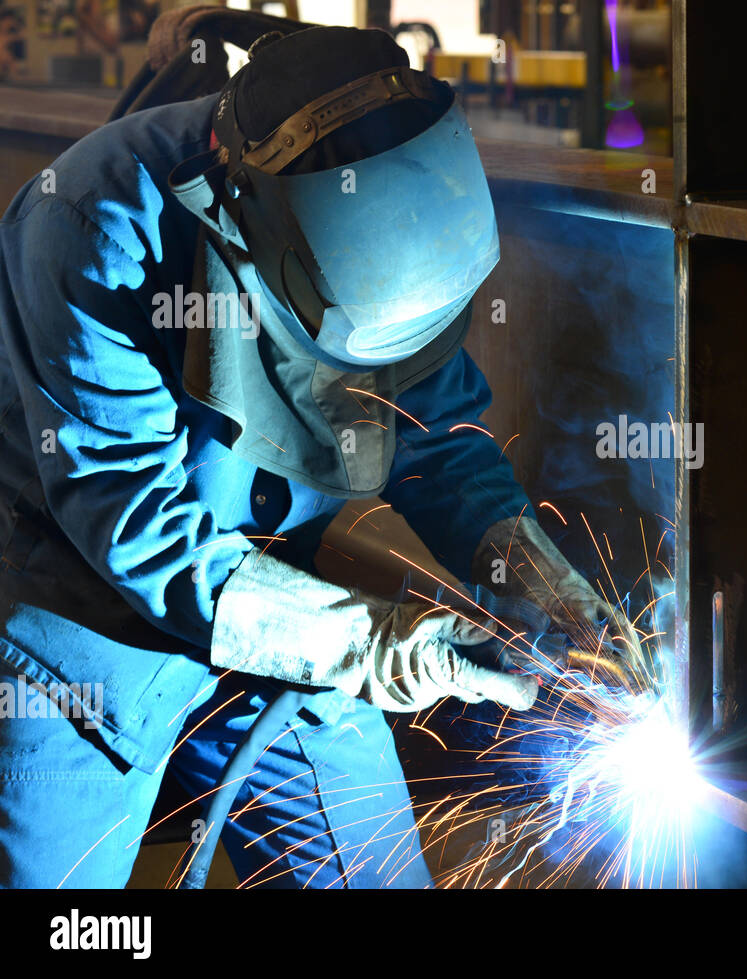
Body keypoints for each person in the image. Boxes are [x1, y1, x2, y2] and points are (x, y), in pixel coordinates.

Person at [0, 24, 644, 888]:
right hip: (76, 628)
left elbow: (440, 444)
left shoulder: (386, 214)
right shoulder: (90, 227)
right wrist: (374, 645)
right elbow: (139, 530)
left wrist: (538, 579)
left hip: (287, 608)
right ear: (247, 219)